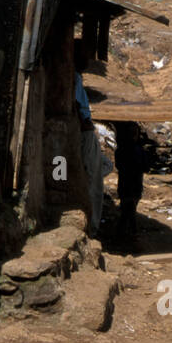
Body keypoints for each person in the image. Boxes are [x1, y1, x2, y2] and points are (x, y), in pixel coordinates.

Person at [73, 40, 108, 234]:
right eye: (84, 55)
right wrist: (85, 124)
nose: (88, 59)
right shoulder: (73, 78)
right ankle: (92, 226)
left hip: (82, 131)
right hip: (84, 132)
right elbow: (76, 105)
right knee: (93, 179)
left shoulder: (74, 77)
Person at [113, 121, 146, 239]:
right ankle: (131, 232)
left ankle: (123, 233)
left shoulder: (121, 149)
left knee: (127, 209)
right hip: (131, 183)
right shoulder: (136, 149)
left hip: (128, 183)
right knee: (130, 209)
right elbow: (143, 166)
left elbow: (118, 165)